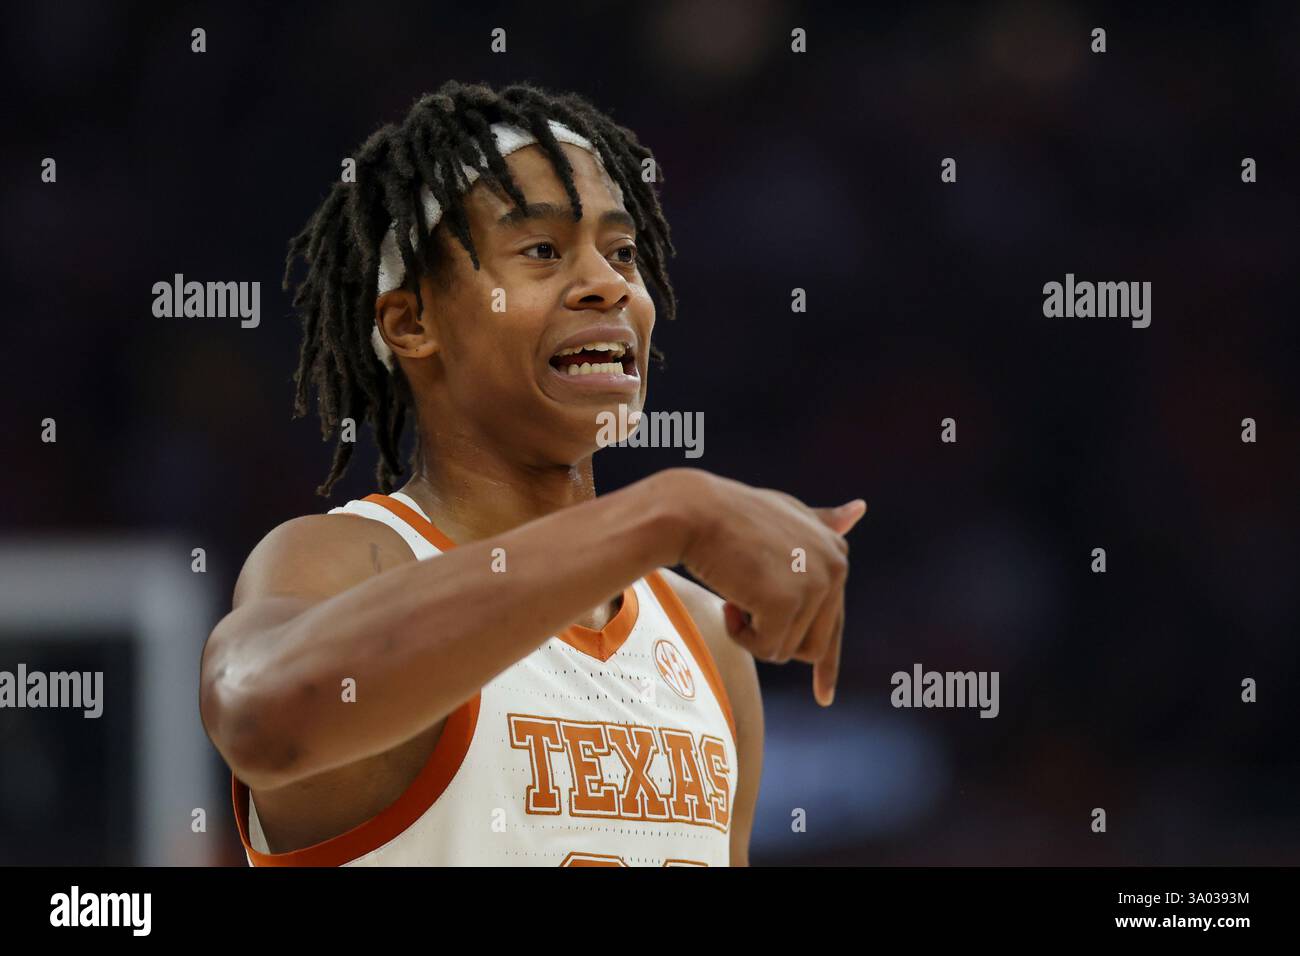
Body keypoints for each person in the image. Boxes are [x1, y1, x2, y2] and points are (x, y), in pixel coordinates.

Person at [199, 80, 865, 866]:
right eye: (543, 251)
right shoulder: (349, 561)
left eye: (622, 253)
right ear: (413, 323)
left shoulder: (707, 645)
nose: (609, 284)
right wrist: (669, 512)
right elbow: (262, 720)